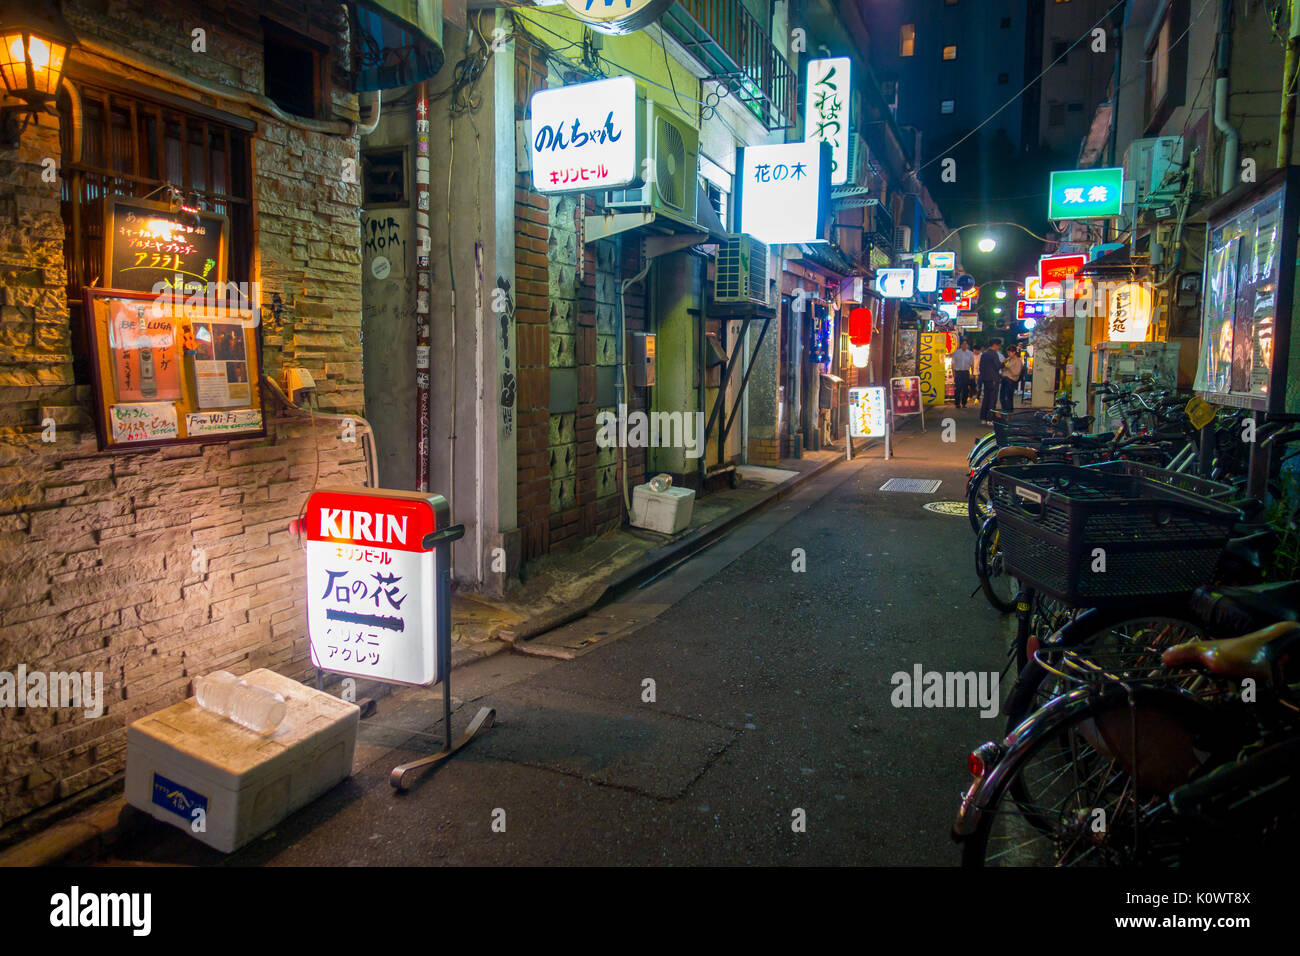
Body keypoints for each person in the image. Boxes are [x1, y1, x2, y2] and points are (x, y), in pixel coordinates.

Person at [978, 339, 1003, 424]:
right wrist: (1004, 363)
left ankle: (983, 418)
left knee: (986, 399)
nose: (998, 348)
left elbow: (980, 367)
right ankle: (990, 419)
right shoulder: (993, 354)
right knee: (992, 400)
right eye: (998, 346)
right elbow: (998, 366)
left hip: (985, 379)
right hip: (993, 379)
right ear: (995, 345)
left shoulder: (984, 354)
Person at [949, 340, 975, 408]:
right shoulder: (956, 353)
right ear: (961, 345)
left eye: (966, 344)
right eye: (963, 344)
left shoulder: (970, 353)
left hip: (966, 372)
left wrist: (972, 373)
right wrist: (953, 373)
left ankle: (964, 403)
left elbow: (972, 364)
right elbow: (953, 363)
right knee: (958, 389)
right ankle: (957, 403)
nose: (964, 345)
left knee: (965, 389)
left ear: (967, 345)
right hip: (958, 372)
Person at [1000, 346, 1024, 412]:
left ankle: (1009, 412)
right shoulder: (1009, 359)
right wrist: (1004, 364)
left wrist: (1009, 367)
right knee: (1002, 397)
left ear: (1014, 352)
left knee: (1008, 397)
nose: (1008, 354)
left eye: (1009, 352)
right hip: (1004, 379)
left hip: (1011, 380)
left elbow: (1016, 372)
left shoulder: (1018, 361)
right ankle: (1004, 410)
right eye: (1007, 353)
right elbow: (1003, 368)